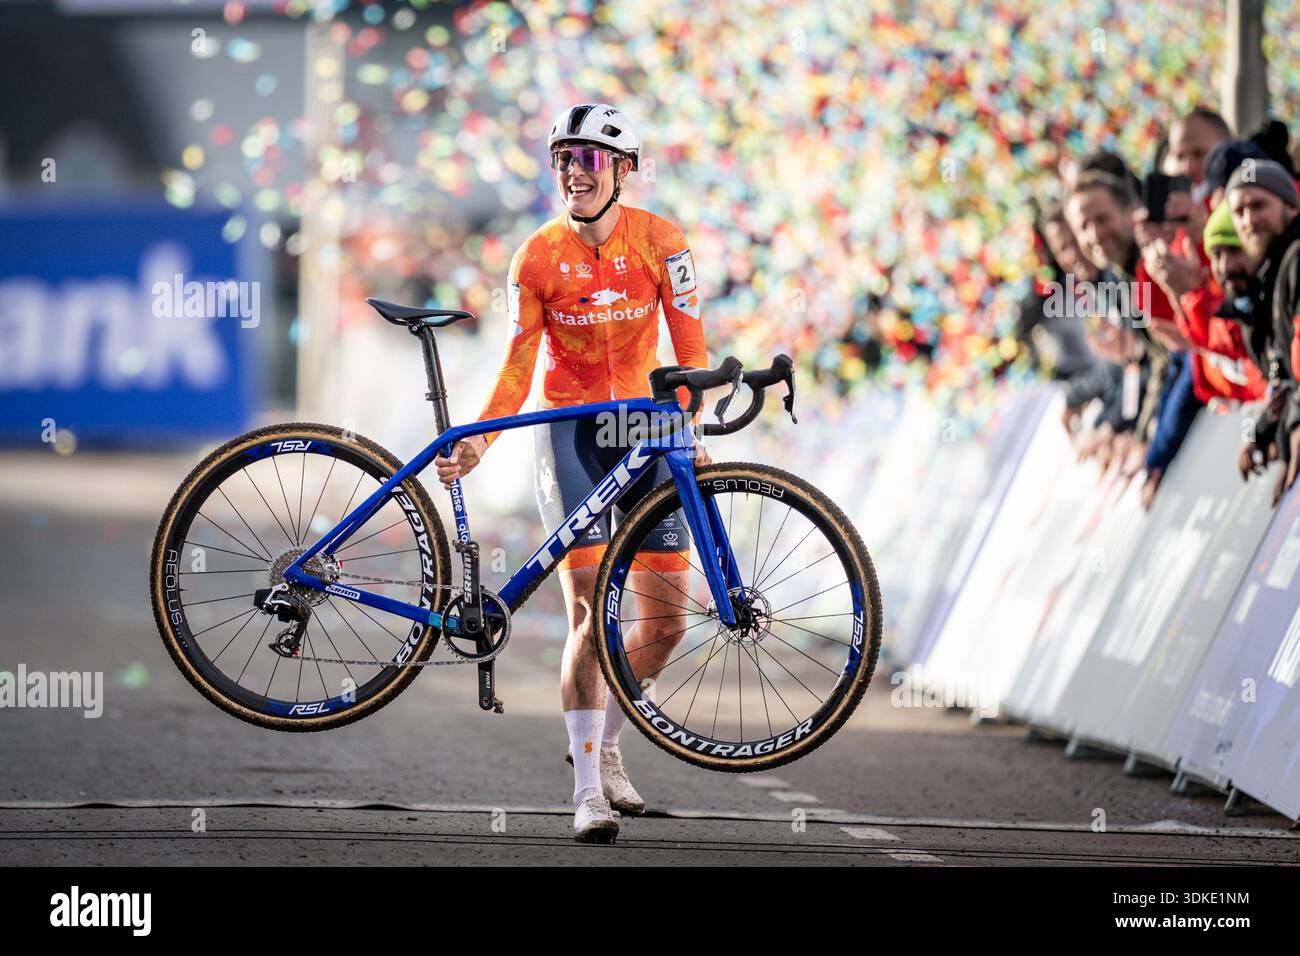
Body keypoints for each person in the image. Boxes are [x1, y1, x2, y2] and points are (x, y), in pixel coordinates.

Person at [433, 104, 710, 843]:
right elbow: (518, 367)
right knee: (590, 611)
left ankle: (608, 740)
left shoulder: (663, 240)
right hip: (571, 434)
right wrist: (481, 445)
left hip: (648, 432)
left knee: (667, 622)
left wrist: (691, 426)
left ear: (624, 169)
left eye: (590, 158)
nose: (574, 170)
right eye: (563, 157)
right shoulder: (536, 255)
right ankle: (587, 790)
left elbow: (689, 344)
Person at [1225, 159, 1300, 502]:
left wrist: (1296, 424)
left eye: (1258, 205)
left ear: (1289, 204)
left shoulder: (1296, 258)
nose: (1249, 220)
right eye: (1239, 212)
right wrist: (1256, 431)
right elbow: (1277, 381)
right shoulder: (1270, 280)